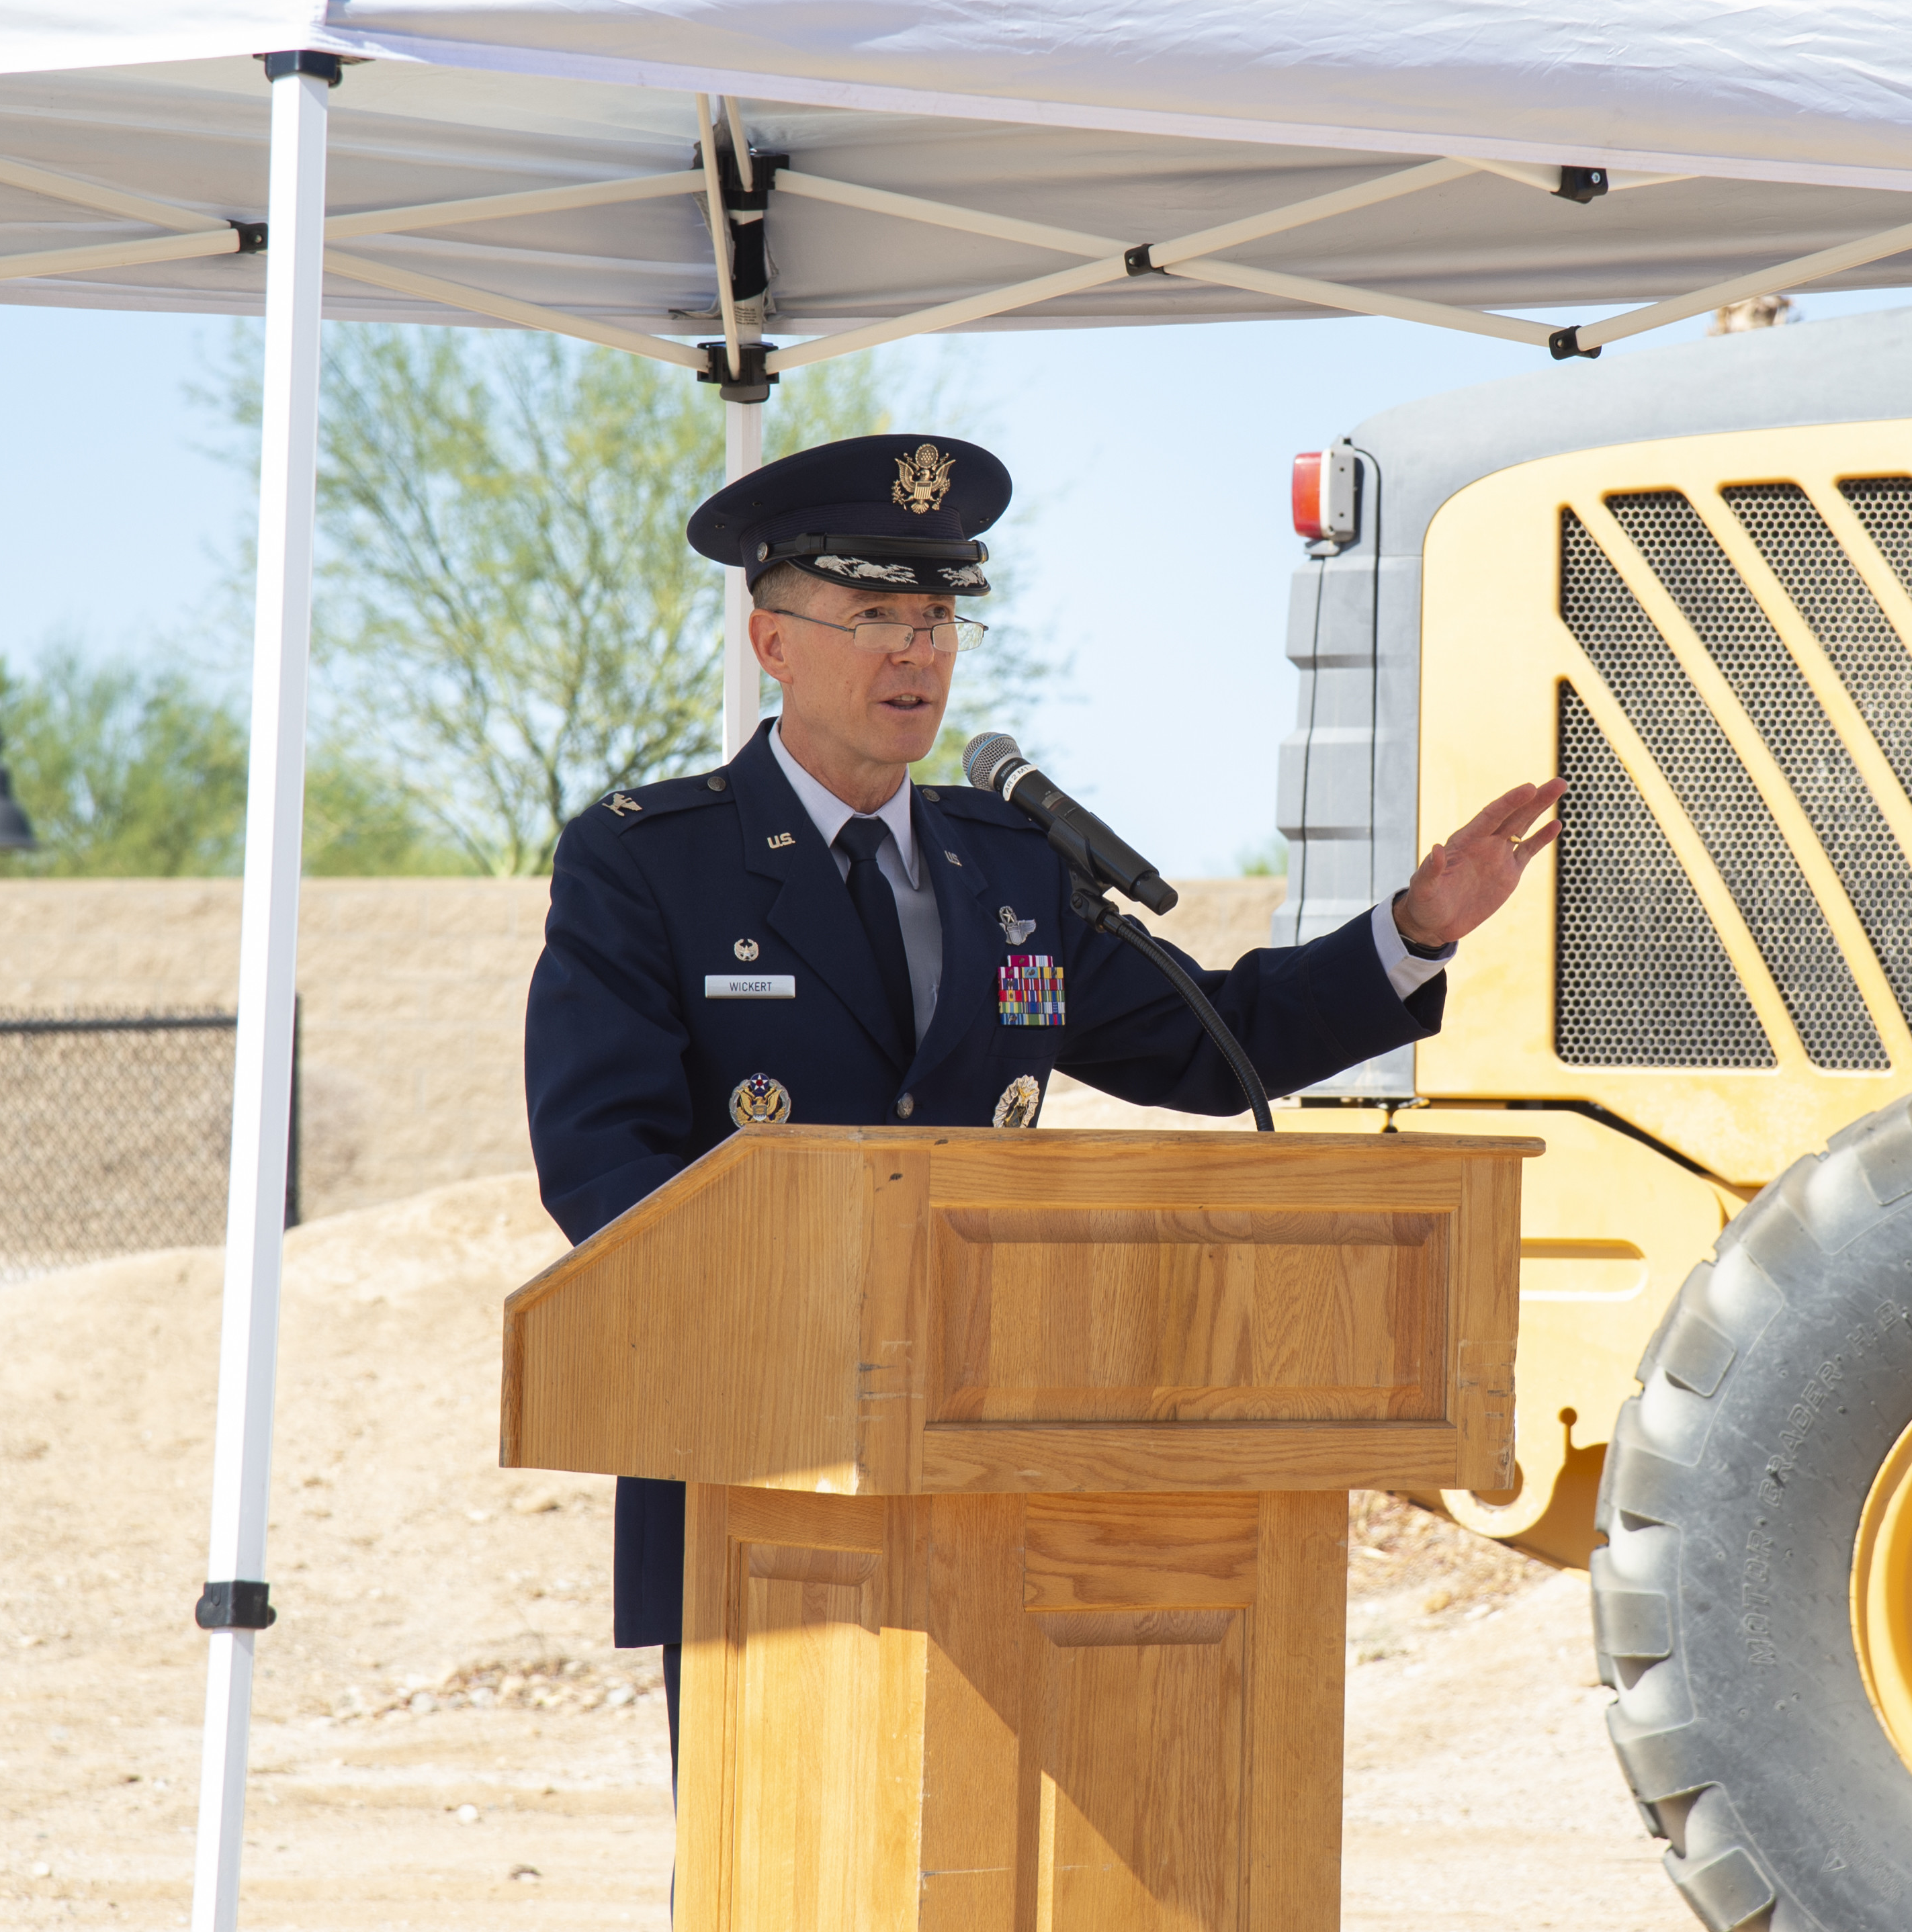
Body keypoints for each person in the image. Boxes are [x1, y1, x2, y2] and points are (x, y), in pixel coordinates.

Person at [522, 430, 1564, 1775]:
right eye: (877, 617)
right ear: (771, 642)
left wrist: (1416, 925)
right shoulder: (654, 860)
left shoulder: (1004, 863)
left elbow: (1214, 1043)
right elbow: (601, 1163)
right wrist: (811, 1314)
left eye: (938, 617)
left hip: (996, 1473)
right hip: (758, 1466)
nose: (918, 653)